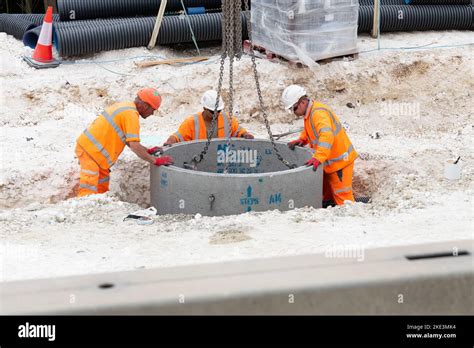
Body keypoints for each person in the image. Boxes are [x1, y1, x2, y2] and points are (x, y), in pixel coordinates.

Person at [75, 88, 173, 197]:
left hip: (96, 152)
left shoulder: (126, 107)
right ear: (145, 106)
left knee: (102, 186)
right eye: (152, 109)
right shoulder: (131, 115)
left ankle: (101, 205)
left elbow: (128, 140)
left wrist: (147, 150)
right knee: (88, 188)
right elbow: (134, 146)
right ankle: (84, 208)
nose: (152, 113)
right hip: (91, 151)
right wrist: (155, 160)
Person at [282, 85, 358, 205]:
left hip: (340, 162)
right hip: (329, 162)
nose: (293, 112)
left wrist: (318, 157)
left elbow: (326, 136)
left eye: (294, 108)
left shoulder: (318, 113)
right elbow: (312, 130)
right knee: (325, 195)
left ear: (302, 102)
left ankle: (351, 219)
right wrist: (302, 140)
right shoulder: (310, 113)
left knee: (344, 200)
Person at [164, 90, 254, 145]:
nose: (216, 114)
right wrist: (169, 142)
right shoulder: (192, 122)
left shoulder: (227, 119)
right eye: (212, 112)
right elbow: (177, 136)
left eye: (218, 111)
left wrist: (246, 135)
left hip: (222, 158)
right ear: (204, 108)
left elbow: (238, 131)